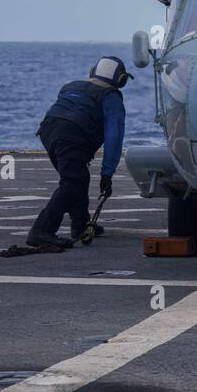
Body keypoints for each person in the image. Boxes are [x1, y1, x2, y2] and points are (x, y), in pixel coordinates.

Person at [27, 56, 129, 248]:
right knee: (73, 182)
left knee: (77, 178)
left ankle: (80, 224)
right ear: (121, 80)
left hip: (48, 132)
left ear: (93, 71)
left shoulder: (70, 86)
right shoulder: (111, 97)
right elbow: (114, 135)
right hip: (72, 136)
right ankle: (42, 230)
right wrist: (107, 173)